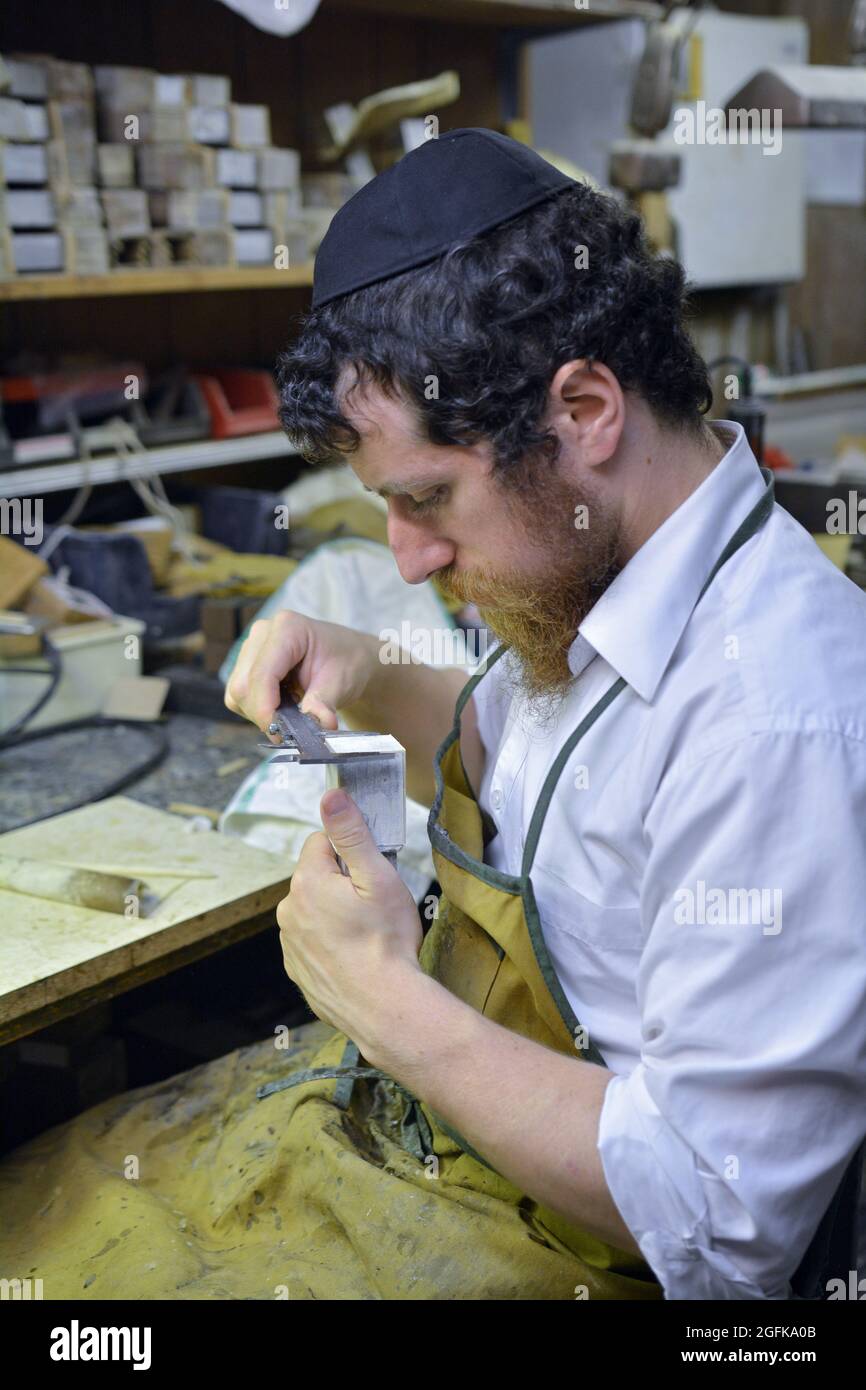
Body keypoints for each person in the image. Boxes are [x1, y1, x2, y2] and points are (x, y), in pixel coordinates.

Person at [1, 129, 864, 1301]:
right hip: (432, 1144)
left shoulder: (775, 717)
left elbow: (716, 1217)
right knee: (37, 1191)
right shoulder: (606, 573)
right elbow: (546, 762)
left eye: (423, 499)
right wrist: (368, 674)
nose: (404, 559)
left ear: (585, 409)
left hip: (574, 1249)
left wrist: (381, 1001)